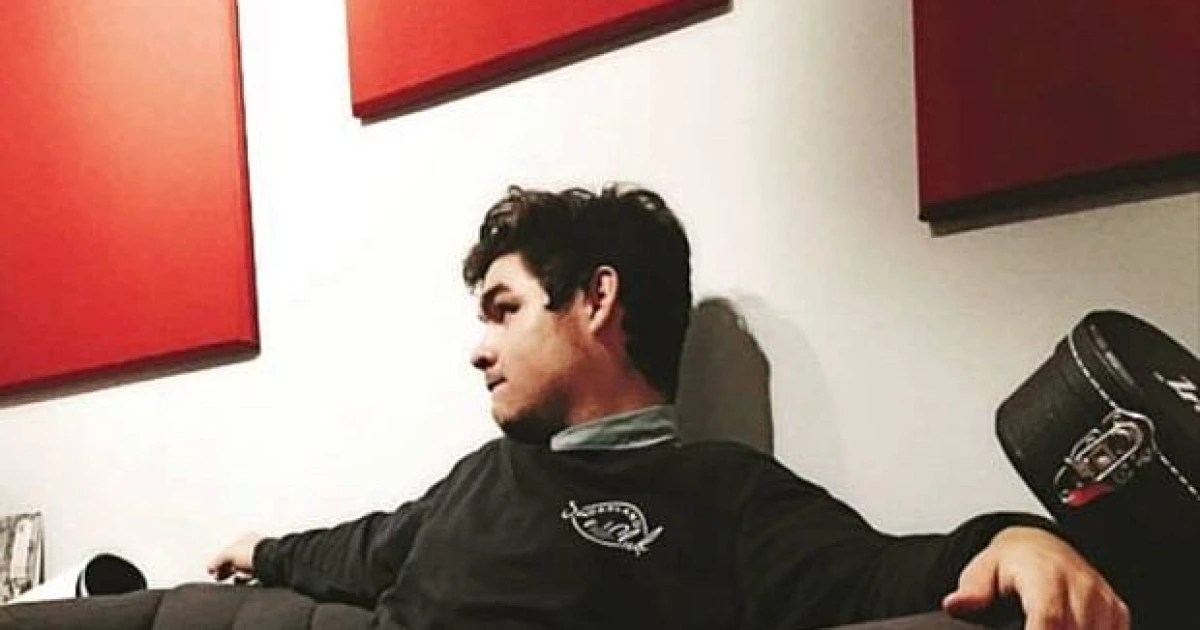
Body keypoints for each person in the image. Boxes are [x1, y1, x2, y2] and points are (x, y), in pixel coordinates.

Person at [202, 184, 1129, 630]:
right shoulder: (481, 478)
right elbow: (362, 549)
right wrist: (259, 549)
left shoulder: (720, 492)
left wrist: (1016, 539)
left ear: (596, 300)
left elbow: (886, 573)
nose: (478, 349)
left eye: (504, 310)